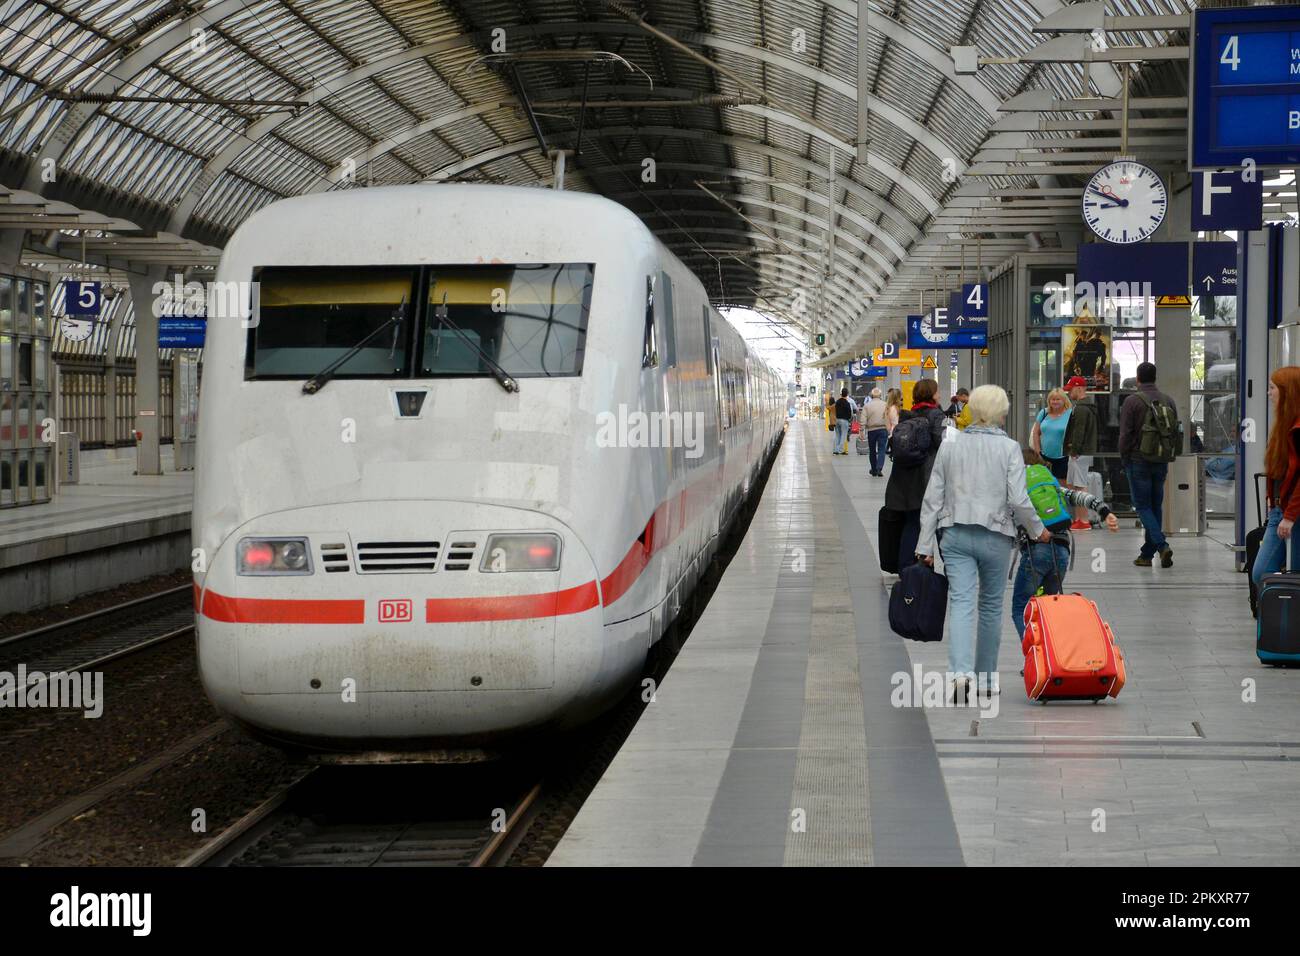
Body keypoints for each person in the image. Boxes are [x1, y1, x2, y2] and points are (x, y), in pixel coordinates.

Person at [916, 385, 1048, 701]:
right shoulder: (1010, 449)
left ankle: (959, 675)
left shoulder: (950, 445)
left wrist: (924, 546)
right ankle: (986, 681)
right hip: (996, 537)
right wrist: (1037, 529)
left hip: (955, 535)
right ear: (1000, 412)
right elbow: (1018, 499)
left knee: (961, 603)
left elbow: (933, 498)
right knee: (990, 607)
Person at [1011, 448, 1120, 639]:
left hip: (1035, 552)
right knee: (1048, 609)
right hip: (1061, 552)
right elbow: (1080, 497)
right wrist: (1105, 511)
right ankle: (1050, 658)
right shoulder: (1050, 483)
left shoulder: (1019, 486)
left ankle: (1034, 659)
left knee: (1021, 607)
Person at [1119, 361, 1179, 568]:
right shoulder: (1168, 400)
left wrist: (1124, 457)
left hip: (1138, 460)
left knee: (1143, 506)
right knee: (1155, 506)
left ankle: (1161, 546)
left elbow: (1125, 434)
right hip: (1161, 460)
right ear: (1155, 377)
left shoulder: (1132, 401)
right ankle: (1146, 555)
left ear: (1137, 378)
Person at [884, 378, 948, 573]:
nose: (939, 395)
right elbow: (945, 443)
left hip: (905, 478)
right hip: (928, 477)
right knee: (937, 524)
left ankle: (907, 568)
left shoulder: (907, 414)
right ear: (932, 394)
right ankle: (949, 567)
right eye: (937, 392)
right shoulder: (936, 415)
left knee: (911, 523)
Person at [1252, 367, 1300, 589]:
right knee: (1262, 573)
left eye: (1272, 388)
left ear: (1287, 391)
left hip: (1293, 513)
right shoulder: (1284, 426)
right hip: (1280, 512)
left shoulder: (1296, 429)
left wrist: (1290, 516)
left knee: (1272, 572)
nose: (1269, 393)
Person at [1062, 375, 1099, 531]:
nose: (1069, 393)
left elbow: (1079, 432)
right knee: (1076, 485)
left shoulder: (1082, 409)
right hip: (1082, 452)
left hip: (1079, 453)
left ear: (1078, 388)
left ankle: (1083, 520)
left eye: (1070, 390)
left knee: (1080, 485)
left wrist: (1074, 450)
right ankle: (1079, 518)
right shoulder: (1086, 407)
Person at [1031, 388, 1073, 483]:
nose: (1055, 402)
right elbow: (1036, 433)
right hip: (1044, 457)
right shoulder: (1044, 413)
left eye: (1058, 399)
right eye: (1052, 399)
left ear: (1064, 400)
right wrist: (1038, 451)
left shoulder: (1070, 414)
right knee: (1045, 484)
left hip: (1063, 458)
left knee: (1062, 487)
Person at [860, 386, 889, 477]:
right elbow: (888, 417)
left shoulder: (867, 405)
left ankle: (873, 469)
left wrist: (861, 430)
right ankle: (879, 468)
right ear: (880, 395)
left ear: (871, 395)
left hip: (872, 430)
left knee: (872, 450)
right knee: (881, 449)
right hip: (883, 429)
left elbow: (863, 419)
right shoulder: (885, 405)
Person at [833, 388, 853, 456]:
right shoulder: (847, 403)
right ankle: (840, 450)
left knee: (837, 435)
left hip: (837, 420)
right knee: (843, 436)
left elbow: (834, 410)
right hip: (844, 421)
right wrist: (849, 419)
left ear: (841, 394)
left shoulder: (837, 402)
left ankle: (835, 450)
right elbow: (849, 413)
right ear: (847, 394)